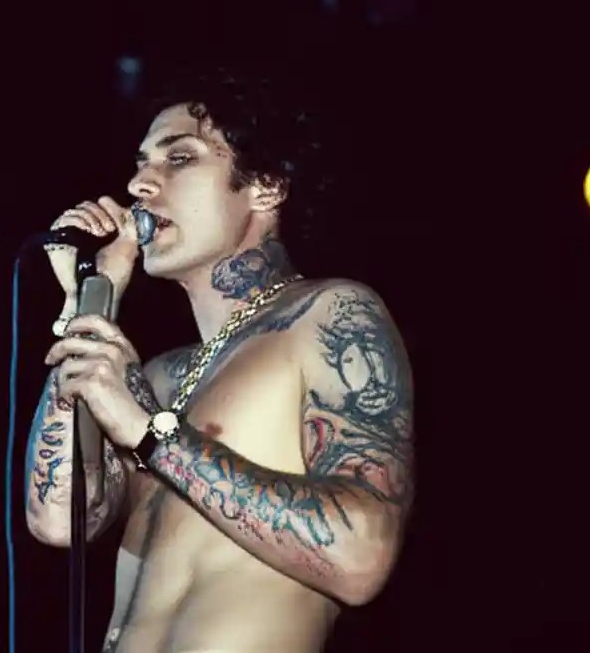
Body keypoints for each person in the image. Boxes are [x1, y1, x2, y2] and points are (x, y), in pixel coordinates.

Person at [24, 69, 415, 652]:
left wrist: (150, 436)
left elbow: (361, 556)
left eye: (179, 158)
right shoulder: (157, 375)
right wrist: (91, 303)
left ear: (265, 185)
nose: (139, 184)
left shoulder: (328, 315)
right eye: (140, 162)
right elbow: (59, 520)